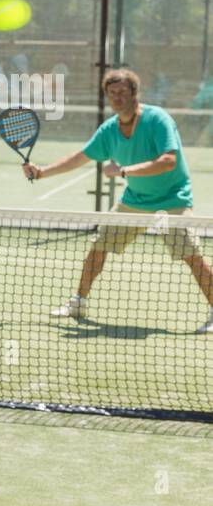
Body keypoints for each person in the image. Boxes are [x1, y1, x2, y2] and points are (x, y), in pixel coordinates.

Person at [25, 67, 213, 333]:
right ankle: (78, 301)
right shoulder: (109, 130)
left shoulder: (157, 119)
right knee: (99, 247)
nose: (117, 98)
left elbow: (168, 161)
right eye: (112, 94)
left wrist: (124, 171)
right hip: (134, 199)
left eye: (123, 93)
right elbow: (81, 157)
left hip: (173, 199)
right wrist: (43, 172)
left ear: (135, 94)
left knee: (191, 255)